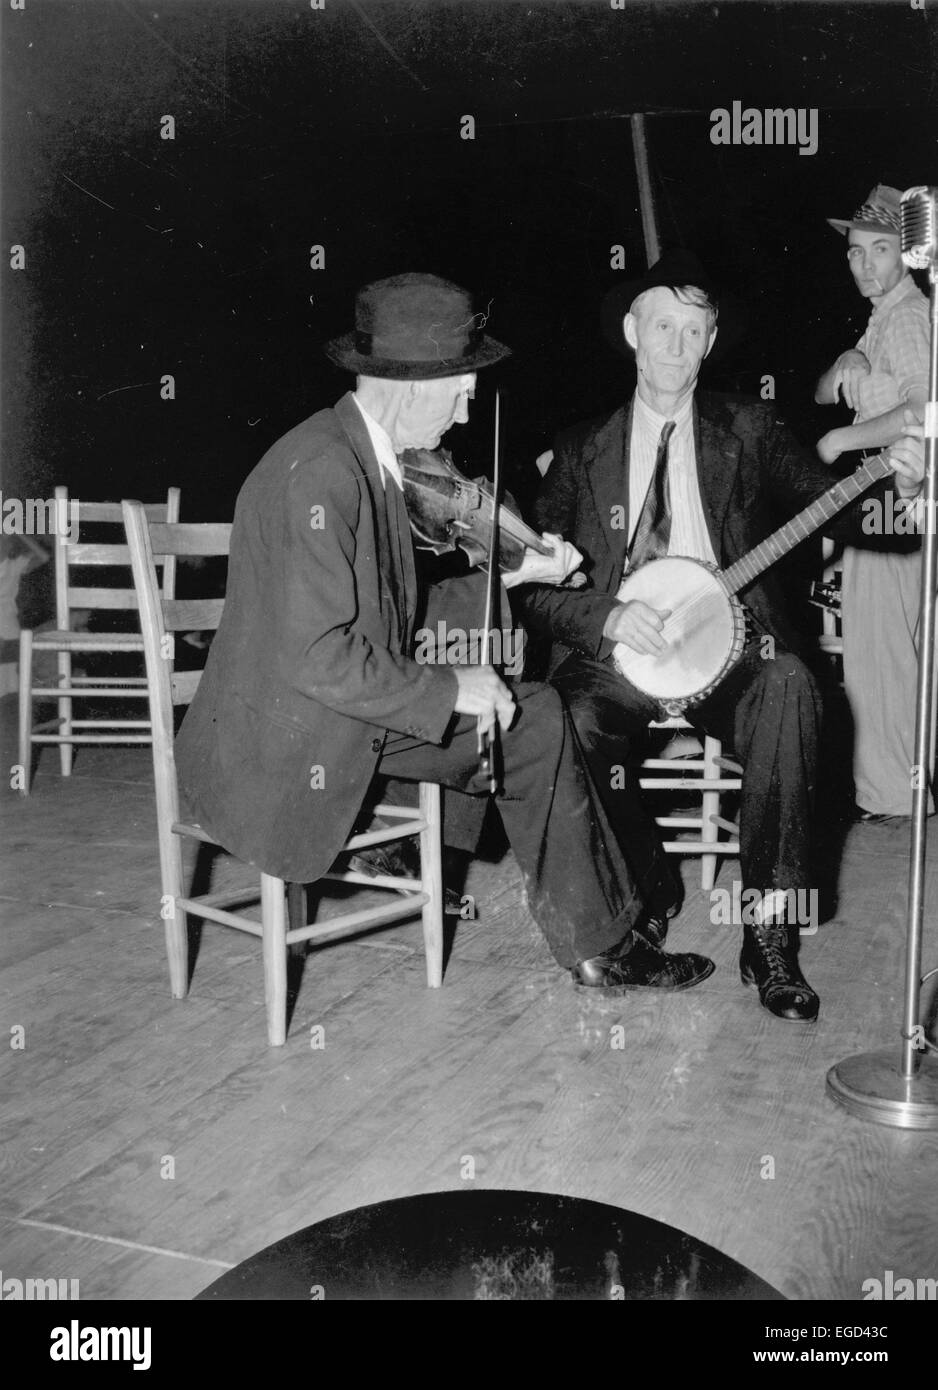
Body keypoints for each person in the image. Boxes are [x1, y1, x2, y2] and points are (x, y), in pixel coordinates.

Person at [175, 272, 714, 995]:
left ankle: (593, 932)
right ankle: (601, 933)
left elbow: (390, 618)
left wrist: (512, 582)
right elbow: (318, 657)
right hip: (285, 743)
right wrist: (450, 685)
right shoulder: (322, 476)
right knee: (524, 717)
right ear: (409, 385)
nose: (466, 413)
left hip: (319, 708)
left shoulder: (361, 458)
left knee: (529, 714)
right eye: (460, 389)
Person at [514, 249, 925, 1022]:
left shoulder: (751, 426)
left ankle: (768, 934)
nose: (675, 345)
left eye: (693, 330)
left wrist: (899, 488)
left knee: (793, 684)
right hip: (618, 655)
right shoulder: (578, 450)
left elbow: (842, 509)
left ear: (708, 344)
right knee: (565, 724)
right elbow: (533, 589)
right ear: (634, 332)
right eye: (662, 326)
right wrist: (605, 616)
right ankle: (640, 889)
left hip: (737, 647)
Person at [815, 184, 929, 821]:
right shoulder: (882, 318)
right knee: (891, 649)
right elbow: (824, 391)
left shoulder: (909, 316)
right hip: (883, 492)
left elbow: (920, 408)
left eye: (879, 251)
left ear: (906, 254)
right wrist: (848, 360)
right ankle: (903, 793)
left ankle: (892, 801)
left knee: (879, 653)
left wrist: (840, 440)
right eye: (856, 253)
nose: (863, 266)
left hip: (895, 489)